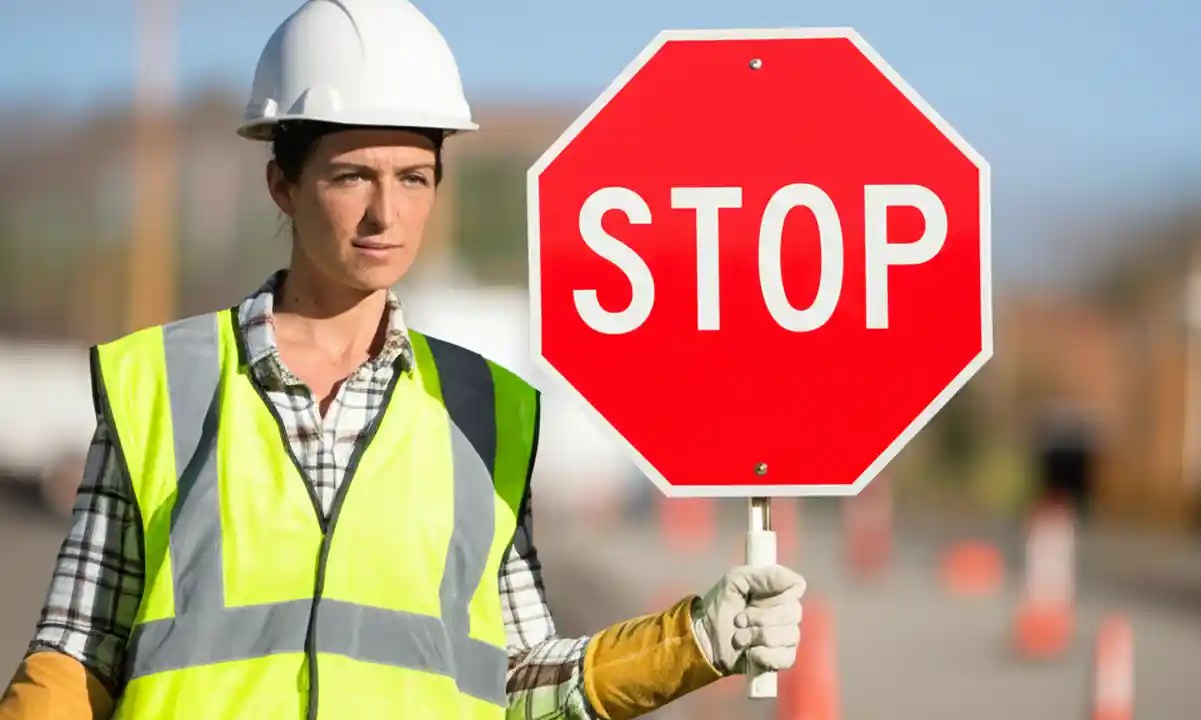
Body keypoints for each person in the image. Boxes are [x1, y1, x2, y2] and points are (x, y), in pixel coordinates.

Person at [0, 1, 807, 718]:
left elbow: (519, 681)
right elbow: (75, 653)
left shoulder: (486, 410)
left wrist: (695, 639)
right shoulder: (163, 384)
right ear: (283, 184)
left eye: (415, 178)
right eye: (352, 176)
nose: (387, 213)